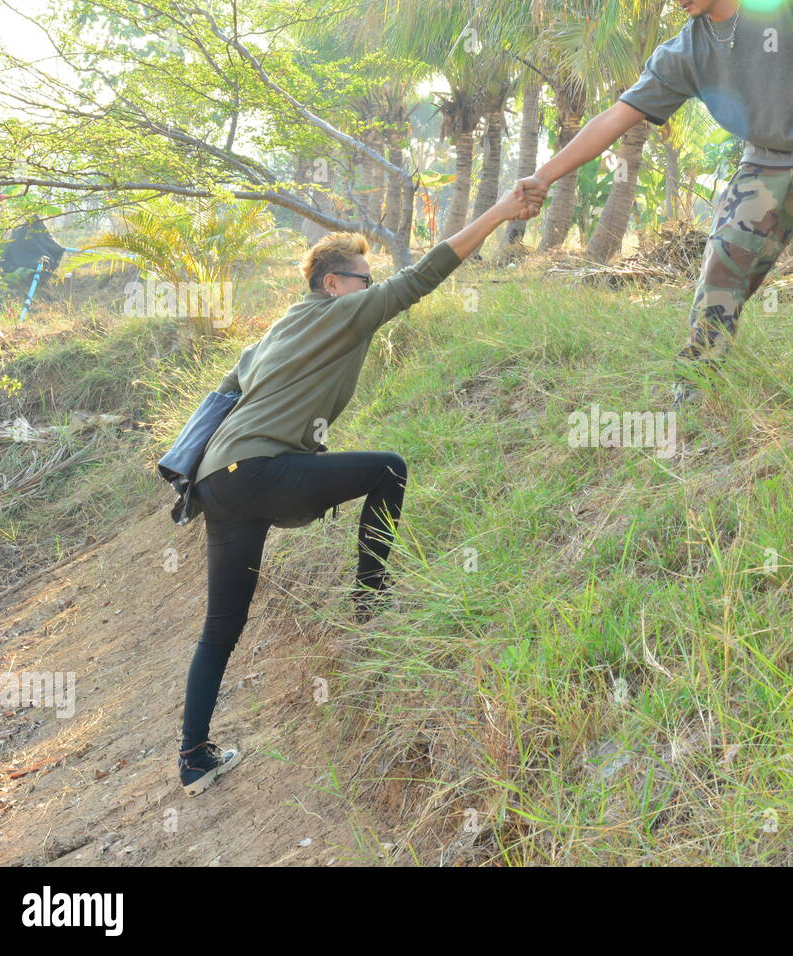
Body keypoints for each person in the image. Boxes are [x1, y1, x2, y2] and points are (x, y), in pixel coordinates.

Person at [177, 188, 535, 796]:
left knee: (220, 627)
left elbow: (226, 390)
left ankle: (193, 758)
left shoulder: (274, 331)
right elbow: (422, 278)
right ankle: (369, 600)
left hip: (217, 482)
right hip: (261, 471)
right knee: (387, 469)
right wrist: (499, 212)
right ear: (332, 283)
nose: (371, 285)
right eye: (363, 277)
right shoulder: (342, 312)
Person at [515, 0, 793, 405]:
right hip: (765, 161)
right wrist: (542, 176)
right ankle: (700, 376)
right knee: (722, 263)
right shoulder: (685, 51)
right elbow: (614, 117)